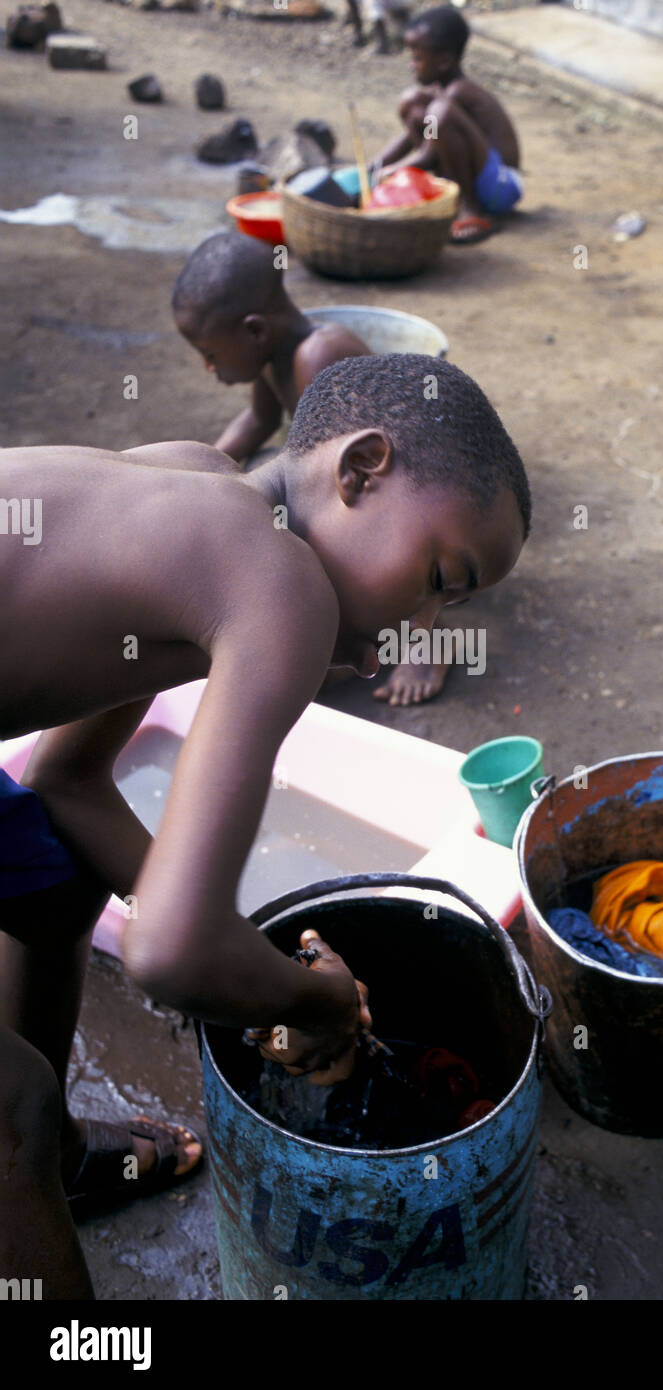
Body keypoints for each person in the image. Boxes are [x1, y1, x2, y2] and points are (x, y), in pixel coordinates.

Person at [0, 353, 530, 1297]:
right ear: (360, 471)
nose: (426, 623)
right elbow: (165, 952)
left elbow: (65, 778)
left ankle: (63, 1162)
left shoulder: (194, 474)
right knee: (10, 1110)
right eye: (441, 577)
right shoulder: (282, 584)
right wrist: (313, 1002)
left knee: (53, 873)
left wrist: (241, 956)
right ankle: (36, 1153)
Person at [172, 232, 371, 468]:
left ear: (255, 331)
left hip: (377, 479)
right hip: (331, 468)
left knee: (257, 476)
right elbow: (260, 420)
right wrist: (201, 468)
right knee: (253, 465)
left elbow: (335, 466)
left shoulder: (318, 355)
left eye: (210, 354)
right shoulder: (269, 353)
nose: (209, 367)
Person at [374, 4, 522, 245]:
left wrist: (387, 175)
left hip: (501, 187)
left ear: (443, 61)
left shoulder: (457, 93)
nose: (412, 64)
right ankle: (458, 199)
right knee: (411, 102)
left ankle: (471, 210)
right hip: (484, 178)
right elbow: (406, 140)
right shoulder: (437, 92)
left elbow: (426, 156)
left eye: (418, 57)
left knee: (439, 114)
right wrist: (372, 168)